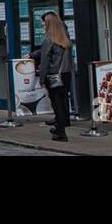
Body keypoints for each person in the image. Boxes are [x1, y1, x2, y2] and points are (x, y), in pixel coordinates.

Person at [30, 12, 74, 142]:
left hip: (54, 75)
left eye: (44, 22)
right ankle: (60, 127)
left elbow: (45, 62)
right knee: (62, 101)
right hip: (65, 74)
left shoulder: (48, 39)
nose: (42, 25)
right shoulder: (64, 37)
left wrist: (42, 79)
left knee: (56, 104)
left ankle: (61, 132)